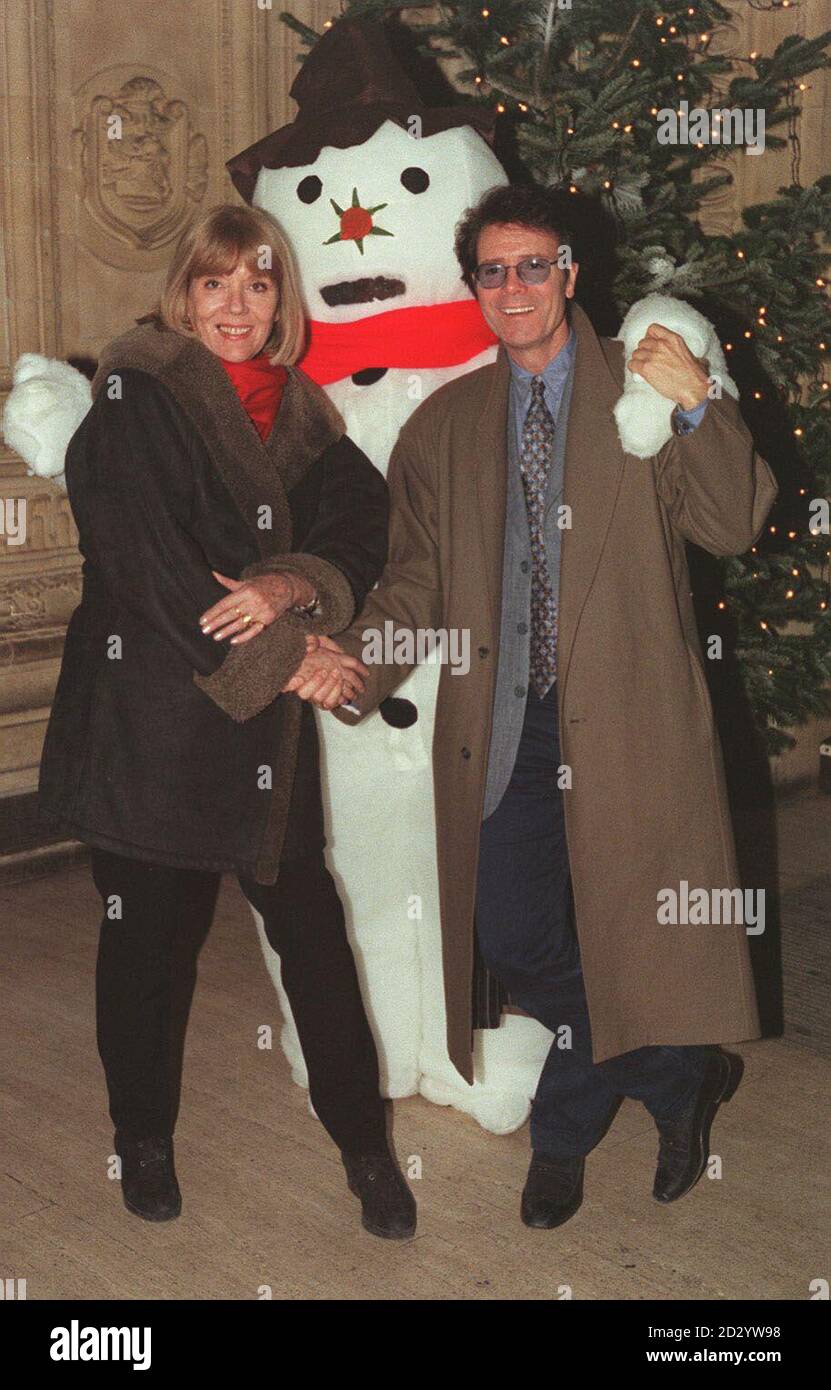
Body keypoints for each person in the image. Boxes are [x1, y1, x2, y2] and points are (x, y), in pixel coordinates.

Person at [299, 183, 778, 1229]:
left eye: (534, 265)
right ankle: (671, 1072)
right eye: (492, 270)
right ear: (475, 286)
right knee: (515, 935)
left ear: (570, 274)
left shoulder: (642, 388)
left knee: (622, 920)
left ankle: (562, 1137)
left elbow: (736, 522)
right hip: (505, 726)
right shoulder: (445, 428)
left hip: (629, 713)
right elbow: (415, 586)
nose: (513, 287)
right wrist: (358, 667)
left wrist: (699, 401)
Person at [38, 203, 416, 1240]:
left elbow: (359, 522)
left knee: (313, 936)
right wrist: (289, 659)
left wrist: (294, 585)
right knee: (147, 945)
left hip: (264, 746)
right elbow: (149, 569)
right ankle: (143, 1135)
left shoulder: (305, 413)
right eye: (215, 283)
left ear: (280, 300)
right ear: (185, 295)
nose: (236, 304)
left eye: (257, 283)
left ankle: (367, 1149)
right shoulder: (136, 393)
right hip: (156, 720)